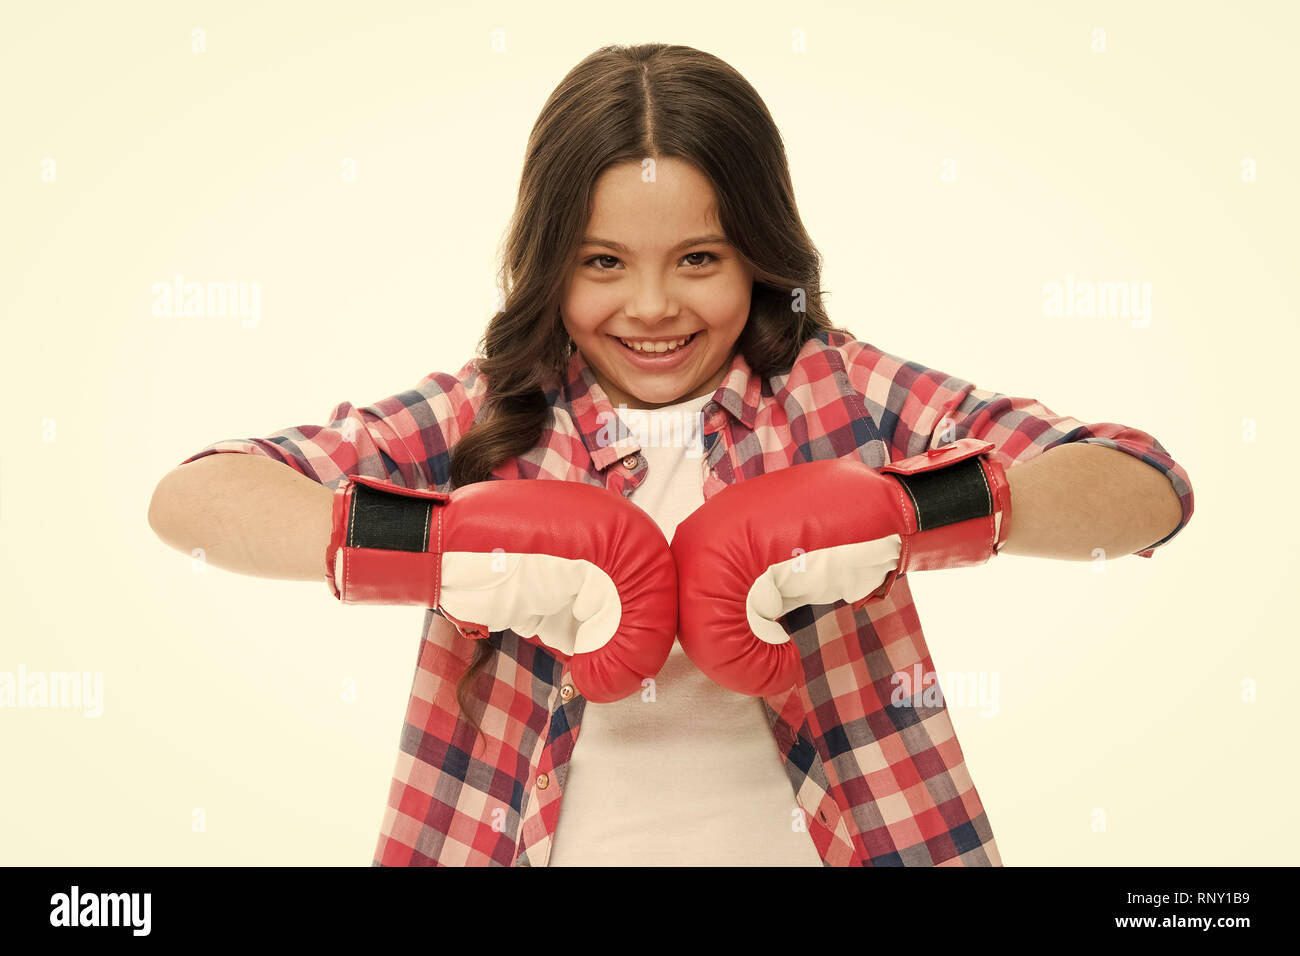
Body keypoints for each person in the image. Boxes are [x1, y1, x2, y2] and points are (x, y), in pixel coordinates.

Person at [147, 43, 1194, 867]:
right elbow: (194, 496)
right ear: (548, 262)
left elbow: (1142, 483)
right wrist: (446, 542)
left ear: (760, 254)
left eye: (699, 258)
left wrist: (911, 511)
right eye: (602, 262)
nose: (650, 307)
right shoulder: (493, 413)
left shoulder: (839, 393)